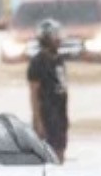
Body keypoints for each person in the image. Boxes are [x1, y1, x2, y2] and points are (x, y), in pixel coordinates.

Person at [25, 20, 69, 162]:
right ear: (46, 38)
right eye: (55, 36)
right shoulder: (37, 63)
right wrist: (38, 121)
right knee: (48, 155)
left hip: (60, 114)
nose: (59, 39)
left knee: (61, 150)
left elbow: (63, 88)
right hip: (47, 115)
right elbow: (33, 93)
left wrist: (65, 117)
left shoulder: (59, 60)